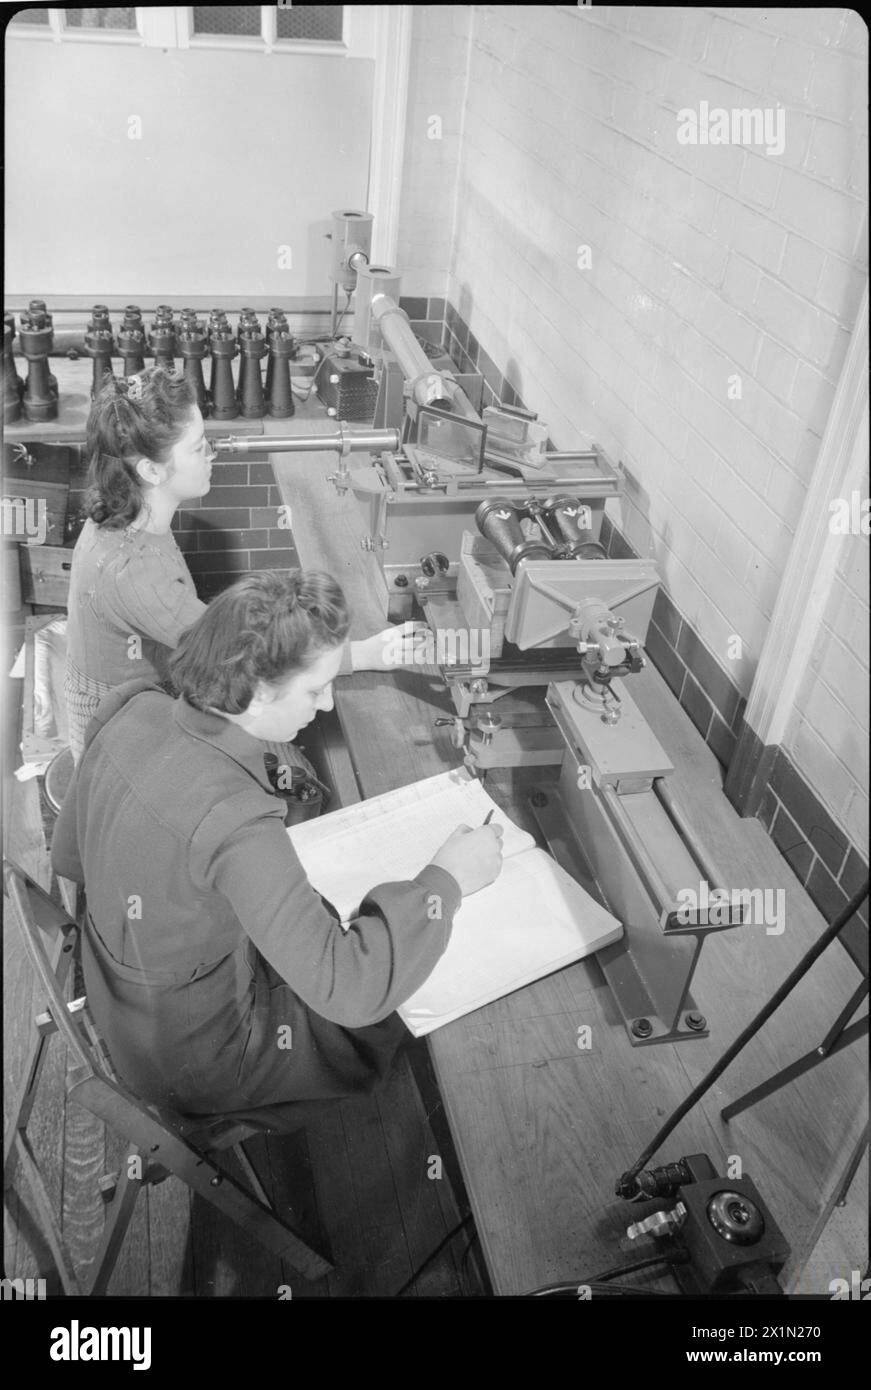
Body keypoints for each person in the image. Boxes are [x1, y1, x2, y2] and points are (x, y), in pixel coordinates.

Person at [50, 570, 504, 1128]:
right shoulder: (234, 818)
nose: (328, 703)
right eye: (316, 689)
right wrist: (445, 881)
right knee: (378, 1023)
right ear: (261, 690)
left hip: (114, 996)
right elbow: (351, 989)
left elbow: (67, 857)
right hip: (189, 1057)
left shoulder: (132, 705)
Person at [64, 365, 425, 761]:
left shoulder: (125, 509)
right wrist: (363, 655)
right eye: (199, 447)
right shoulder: (135, 571)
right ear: (151, 470)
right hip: (119, 736)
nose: (212, 454)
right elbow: (238, 655)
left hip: (133, 698)